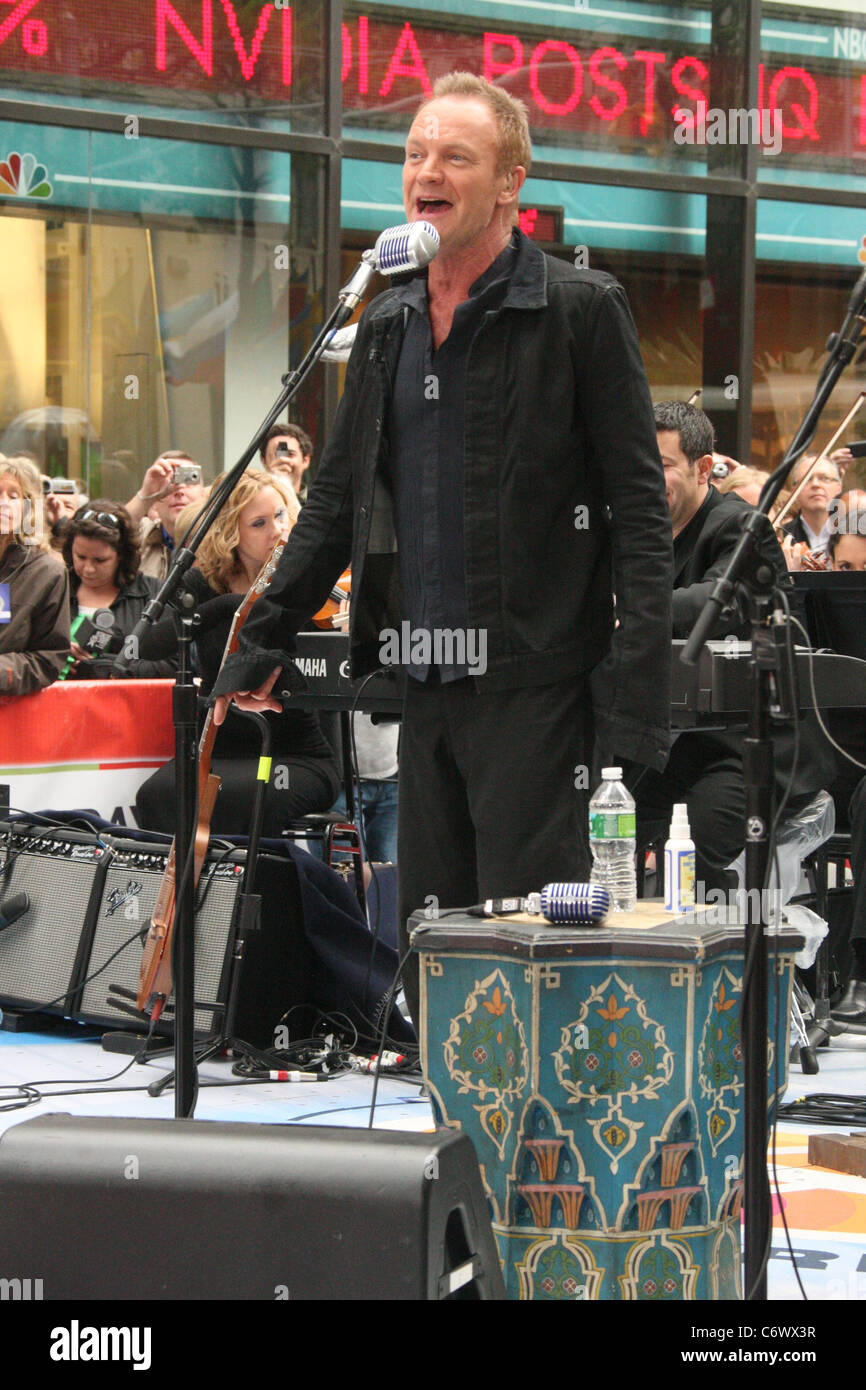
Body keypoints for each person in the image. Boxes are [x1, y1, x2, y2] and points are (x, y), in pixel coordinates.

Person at [209, 73, 673, 1026]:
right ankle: (450, 1154)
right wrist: (260, 642)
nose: (426, 171)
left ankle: (545, 1162)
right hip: (424, 687)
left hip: (541, 693)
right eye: (415, 154)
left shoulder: (581, 310)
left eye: (454, 156)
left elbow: (640, 519)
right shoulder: (385, 325)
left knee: (534, 948)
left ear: (510, 182)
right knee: (439, 944)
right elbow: (334, 503)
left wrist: (629, 702)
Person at [632, 402, 831, 897]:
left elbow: (717, 606)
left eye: (662, 465)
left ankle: (715, 958)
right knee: (610, 818)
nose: (647, 478)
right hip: (678, 737)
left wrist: (628, 607)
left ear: (703, 468)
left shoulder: (742, 528)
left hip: (753, 742)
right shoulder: (645, 534)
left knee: (701, 841)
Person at [135, 469, 339, 838]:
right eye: (259, 523)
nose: (277, 530)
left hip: (294, 753)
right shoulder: (204, 584)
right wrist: (232, 606)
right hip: (217, 750)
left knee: (263, 795)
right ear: (231, 532)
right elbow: (147, 643)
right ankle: (192, 894)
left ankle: (261, 894)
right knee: (157, 793)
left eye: (280, 516)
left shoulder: (306, 586)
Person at [60, 501, 177, 680]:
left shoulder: (153, 594)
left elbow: (172, 664)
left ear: (121, 555)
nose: (88, 569)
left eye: (100, 560)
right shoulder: (55, 589)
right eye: (81, 557)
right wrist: (54, 653)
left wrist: (117, 666)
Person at [0, 454, 70, 694]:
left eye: (13, 496)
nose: (4, 504)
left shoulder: (47, 573)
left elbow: (49, 658)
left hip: (10, 714)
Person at [125, 451, 206, 579]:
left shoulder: (219, 542)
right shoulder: (142, 537)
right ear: (155, 503)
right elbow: (109, 532)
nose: (179, 490)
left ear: (203, 494)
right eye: (170, 482)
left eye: (189, 478)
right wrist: (145, 495)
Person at [259, 423, 313, 499]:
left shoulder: (318, 502)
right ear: (264, 462)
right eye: (276, 455)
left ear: (305, 461)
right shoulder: (254, 501)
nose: (283, 460)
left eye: (290, 454)